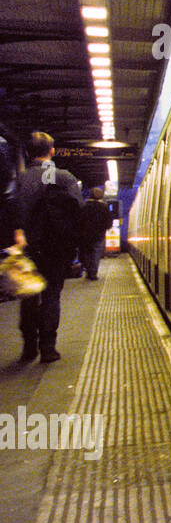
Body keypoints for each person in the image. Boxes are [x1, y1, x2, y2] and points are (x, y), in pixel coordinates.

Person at [11, 133, 83, 363]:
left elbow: (11, 213)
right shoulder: (63, 177)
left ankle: (29, 346)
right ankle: (48, 347)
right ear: (52, 150)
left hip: (27, 248)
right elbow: (78, 212)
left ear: (28, 153)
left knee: (29, 293)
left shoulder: (19, 180)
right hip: (55, 247)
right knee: (52, 295)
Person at [79, 187, 113, 281]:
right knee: (96, 252)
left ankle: (88, 270)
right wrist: (105, 228)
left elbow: (79, 220)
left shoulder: (84, 206)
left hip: (85, 234)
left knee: (87, 252)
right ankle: (93, 272)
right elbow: (109, 221)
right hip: (99, 234)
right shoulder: (104, 207)